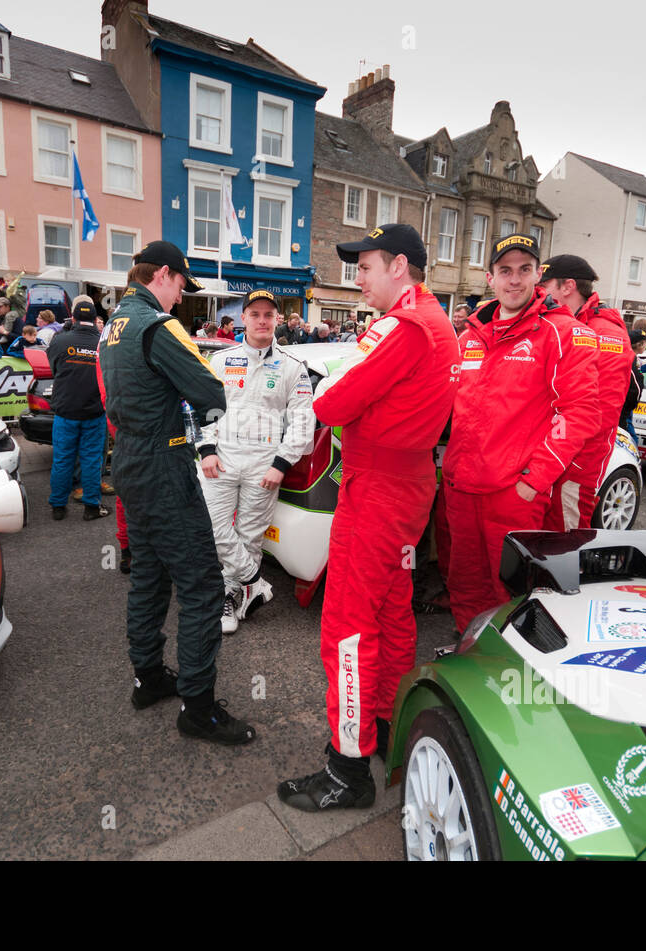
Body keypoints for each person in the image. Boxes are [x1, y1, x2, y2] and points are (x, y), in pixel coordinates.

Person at [277, 223, 458, 812]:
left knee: (347, 626)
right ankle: (383, 725)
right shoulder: (436, 321)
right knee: (390, 610)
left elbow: (332, 402)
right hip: (404, 484)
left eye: (365, 266)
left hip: (377, 486)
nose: (357, 277)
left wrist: (334, 386)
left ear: (398, 267)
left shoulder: (403, 326)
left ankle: (346, 766)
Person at [99, 239, 255, 745]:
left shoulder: (113, 325)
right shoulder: (158, 325)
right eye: (180, 286)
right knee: (202, 586)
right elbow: (210, 393)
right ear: (162, 274)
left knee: (148, 574)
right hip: (163, 464)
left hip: (128, 459)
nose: (179, 297)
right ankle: (199, 708)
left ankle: (147, 678)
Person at [443, 233, 598, 634]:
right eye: (505, 271)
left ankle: (510, 667)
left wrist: (535, 480)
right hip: (462, 485)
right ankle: (471, 650)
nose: (514, 280)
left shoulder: (561, 331)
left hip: (514, 491)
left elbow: (579, 413)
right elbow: (448, 400)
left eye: (524, 270)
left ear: (538, 276)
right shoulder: (471, 335)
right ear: (490, 278)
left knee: (511, 590)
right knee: (464, 581)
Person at [198, 288, 315, 633]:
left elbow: (303, 420)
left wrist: (281, 463)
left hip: (265, 460)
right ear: (244, 319)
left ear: (277, 319)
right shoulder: (221, 360)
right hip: (223, 455)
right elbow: (203, 407)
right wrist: (205, 449)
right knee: (213, 527)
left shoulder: (293, 366)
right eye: (255, 314)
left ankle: (230, 596)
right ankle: (253, 580)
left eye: (268, 315)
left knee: (249, 536)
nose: (262, 321)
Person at [537, 254, 626, 530]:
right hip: (554, 454)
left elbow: (603, 410)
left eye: (544, 286)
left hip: (576, 461)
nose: (539, 293)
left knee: (566, 537)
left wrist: (564, 457)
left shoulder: (604, 332)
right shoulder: (562, 324)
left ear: (568, 287)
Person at [47, 296, 108, 520]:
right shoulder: (104, 343)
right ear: (95, 319)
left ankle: (58, 507)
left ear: (72, 317)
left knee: (63, 459)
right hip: (94, 411)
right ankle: (91, 507)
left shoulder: (60, 340)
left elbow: (54, 368)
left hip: (65, 411)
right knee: (92, 460)